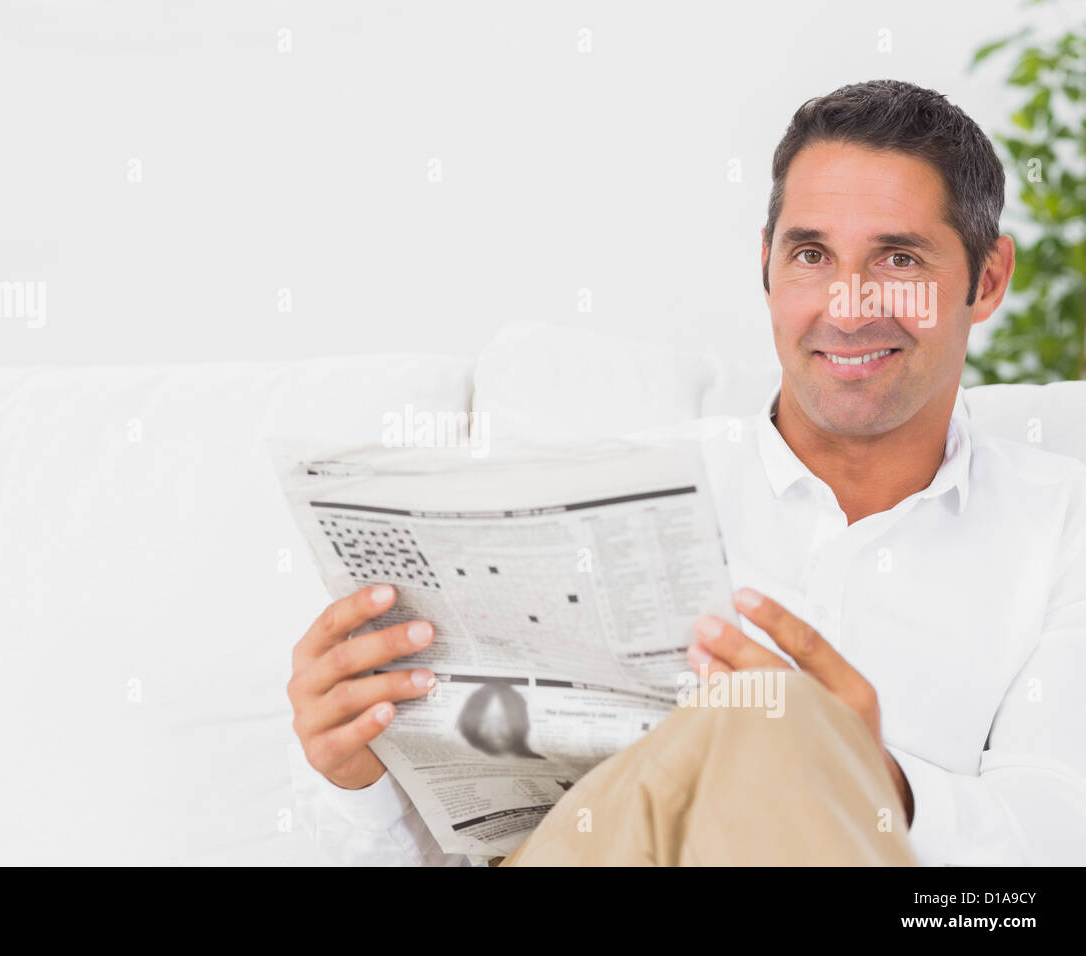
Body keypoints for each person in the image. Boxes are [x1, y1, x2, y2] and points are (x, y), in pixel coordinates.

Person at [284, 79, 1086, 866]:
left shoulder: (1060, 526)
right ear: (767, 268)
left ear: (986, 280)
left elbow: (1055, 830)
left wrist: (872, 781)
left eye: (898, 258)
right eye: (811, 254)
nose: (846, 307)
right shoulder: (624, 488)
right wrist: (354, 775)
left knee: (766, 730)